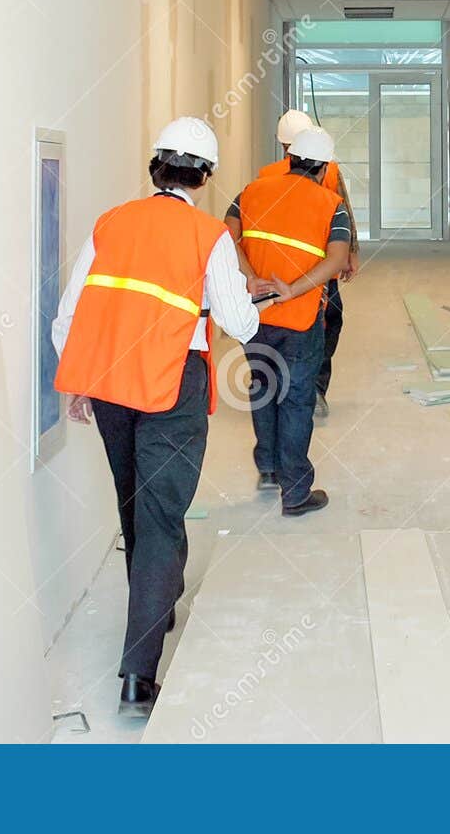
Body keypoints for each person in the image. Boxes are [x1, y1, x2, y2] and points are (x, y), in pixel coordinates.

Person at [52, 116, 261, 719]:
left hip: (113, 386)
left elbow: (70, 314)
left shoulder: (111, 223)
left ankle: (159, 601)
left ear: (155, 169)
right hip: (171, 388)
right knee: (163, 514)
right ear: (206, 177)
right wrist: (247, 306)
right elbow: (240, 322)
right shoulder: (208, 237)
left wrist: (81, 379)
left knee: (134, 506)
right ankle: (139, 676)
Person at [227, 125, 351, 516]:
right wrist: (294, 289)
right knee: (296, 399)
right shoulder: (331, 204)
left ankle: (267, 467)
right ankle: (295, 491)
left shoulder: (251, 192)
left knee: (263, 386)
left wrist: (249, 276)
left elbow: (225, 239)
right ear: (323, 167)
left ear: (291, 158)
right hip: (299, 317)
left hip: (256, 315)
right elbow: (336, 260)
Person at [257, 108, 360, 420]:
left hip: (278, 266)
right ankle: (311, 387)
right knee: (326, 321)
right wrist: (349, 252)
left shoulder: (265, 175)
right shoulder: (328, 169)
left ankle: (278, 385)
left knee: (277, 323)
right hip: (318, 265)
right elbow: (343, 208)